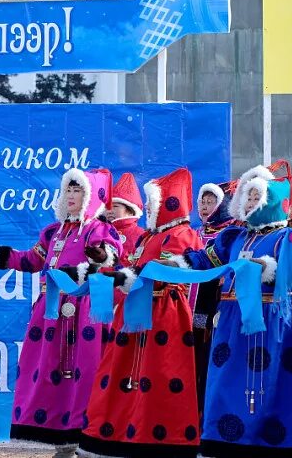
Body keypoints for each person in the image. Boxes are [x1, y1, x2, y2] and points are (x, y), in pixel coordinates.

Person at [0, 168, 122, 458]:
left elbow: (111, 256)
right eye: (68, 190)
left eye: (77, 190)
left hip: (83, 312)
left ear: (89, 197)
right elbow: (31, 259)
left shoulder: (98, 229)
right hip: (50, 312)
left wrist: (101, 257)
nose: (71, 196)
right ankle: (63, 441)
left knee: (83, 373)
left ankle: (85, 439)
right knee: (49, 374)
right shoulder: (53, 231)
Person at [78, 168, 203, 458]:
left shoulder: (183, 234)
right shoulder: (147, 238)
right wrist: (99, 270)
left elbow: (161, 273)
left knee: (159, 374)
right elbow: (130, 267)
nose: (148, 208)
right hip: (134, 311)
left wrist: (120, 276)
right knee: (123, 372)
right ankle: (117, 436)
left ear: (168, 204)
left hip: (164, 314)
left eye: (152, 203)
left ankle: (159, 439)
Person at [181, 169, 292, 457]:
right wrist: (178, 263)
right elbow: (205, 259)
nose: (250, 203)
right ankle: (223, 443)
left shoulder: (288, 238)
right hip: (231, 321)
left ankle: (265, 442)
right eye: (248, 197)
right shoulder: (234, 237)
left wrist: (266, 268)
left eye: (257, 197)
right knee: (224, 381)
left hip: (270, 323)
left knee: (267, 384)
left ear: (272, 202)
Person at [188, 181, 237, 418]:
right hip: (190, 304)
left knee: (210, 356)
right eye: (202, 202)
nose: (205, 207)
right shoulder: (193, 233)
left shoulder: (228, 235)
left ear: (222, 205)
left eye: (211, 202)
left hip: (215, 305)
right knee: (192, 355)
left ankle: (207, 412)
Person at [108, 173, 145, 267]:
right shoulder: (99, 231)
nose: (110, 210)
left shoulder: (141, 235)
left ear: (130, 211)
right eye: (107, 207)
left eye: (115, 206)